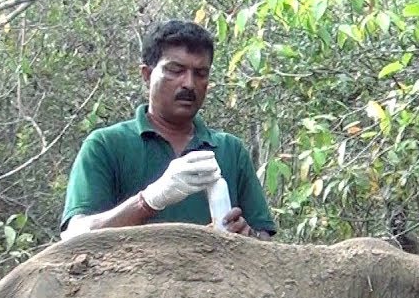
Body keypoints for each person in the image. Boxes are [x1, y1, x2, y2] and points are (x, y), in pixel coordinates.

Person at [60, 19, 276, 240]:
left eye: (200, 73)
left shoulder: (230, 150)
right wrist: (149, 200)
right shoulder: (106, 145)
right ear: (146, 75)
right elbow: (74, 237)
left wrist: (247, 236)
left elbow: (266, 244)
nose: (189, 84)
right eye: (176, 70)